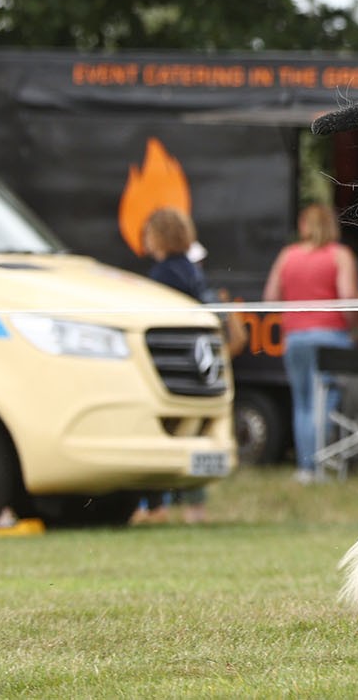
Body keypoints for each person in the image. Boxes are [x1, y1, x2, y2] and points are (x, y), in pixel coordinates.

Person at [262, 202, 358, 483]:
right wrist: (354, 328)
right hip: (331, 337)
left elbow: (270, 297)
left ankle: (306, 468)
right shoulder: (339, 256)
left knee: (302, 402)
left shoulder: (287, 256)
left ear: (304, 226)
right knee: (324, 401)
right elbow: (347, 301)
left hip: (294, 337)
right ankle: (318, 464)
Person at [134, 206, 215, 523]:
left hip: (170, 364)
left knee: (161, 434)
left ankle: (156, 505)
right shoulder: (194, 270)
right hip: (198, 362)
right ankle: (196, 507)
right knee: (194, 436)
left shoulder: (162, 275)